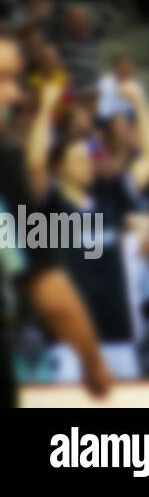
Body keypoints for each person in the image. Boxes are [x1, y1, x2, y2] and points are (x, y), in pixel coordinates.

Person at [27, 70, 149, 382]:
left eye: (89, 158)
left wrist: (140, 103)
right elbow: (35, 162)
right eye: (78, 159)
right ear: (59, 167)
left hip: (118, 334)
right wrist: (48, 106)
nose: (88, 164)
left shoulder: (111, 195)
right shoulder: (49, 207)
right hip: (70, 343)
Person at [0, 33, 111, 404]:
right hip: (49, 338)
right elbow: (49, 288)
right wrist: (93, 362)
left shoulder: (104, 203)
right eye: (3, 79)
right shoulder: (22, 178)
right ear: (59, 167)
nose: (14, 94)